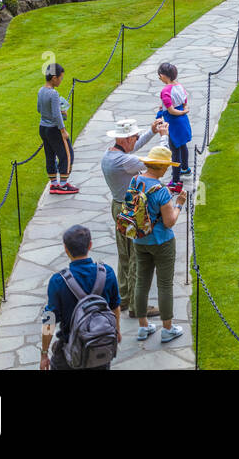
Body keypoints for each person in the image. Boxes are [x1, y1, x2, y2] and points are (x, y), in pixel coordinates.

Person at [102, 118, 167, 318]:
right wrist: (164, 138)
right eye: (135, 137)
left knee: (124, 254)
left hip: (117, 206)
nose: (137, 139)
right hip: (131, 210)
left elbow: (133, 148)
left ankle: (123, 297)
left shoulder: (110, 155)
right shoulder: (124, 161)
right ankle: (137, 306)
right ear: (127, 138)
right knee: (136, 257)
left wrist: (151, 131)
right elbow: (156, 162)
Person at [40, 225, 121, 370]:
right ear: (90, 245)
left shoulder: (58, 281)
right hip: (99, 348)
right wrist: (117, 331)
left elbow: (49, 321)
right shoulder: (107, 273)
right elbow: (115, 306)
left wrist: (44, 353)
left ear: (66, 249)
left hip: (69, 352)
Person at [131, 144, 187, 344]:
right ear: (162, 168)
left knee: (141, 282)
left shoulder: (135, 180)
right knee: (164, 284)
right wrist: (179, 204)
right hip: (161, 242)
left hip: (139, 239)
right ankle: (167, 328)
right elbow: (169, 221)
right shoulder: (161, 191)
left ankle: (143, 327)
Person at [38, 63, 76, 195]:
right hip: (54, 129)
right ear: (54, 78)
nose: (61, 81)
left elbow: (39, 109)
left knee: (50, 155)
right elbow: (56, 115)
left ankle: (54, 184)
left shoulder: (41, 91)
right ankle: (64, 184)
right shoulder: (53, 94)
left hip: (43, 128)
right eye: (60, 78)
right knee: (67, 154)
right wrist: (63, 130)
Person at [157, 62, 193, 193]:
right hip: (183, 121)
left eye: (159, 76)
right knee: (183, 145)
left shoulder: (165, 91)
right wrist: (184, 111)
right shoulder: (179, 86)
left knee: (174, 151)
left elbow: (171, 110)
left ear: (163, 75)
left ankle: (176, 180)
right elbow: (185, 103)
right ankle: (185, 169)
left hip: (174, 122)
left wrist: (181, 112)